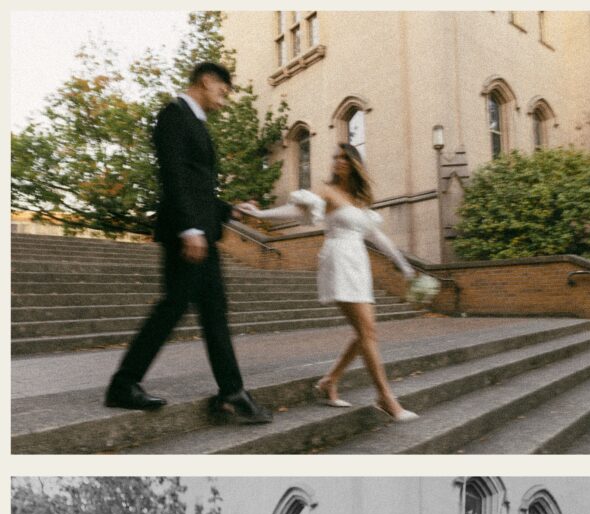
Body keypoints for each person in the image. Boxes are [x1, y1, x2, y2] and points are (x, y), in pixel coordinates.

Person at [104, 62, 271, 426]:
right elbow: (174, 177)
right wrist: (189, 229)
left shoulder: (194, 122)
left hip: (201, 232)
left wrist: (230, 210)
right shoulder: (174, 116)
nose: (224, 100)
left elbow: (197, 187)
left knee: (213, 312)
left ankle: (231, 393)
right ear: (207, 81)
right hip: (189, 236)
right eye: (223, 91)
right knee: (173, 308)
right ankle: (123, 383)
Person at [238, 144, 419, 422]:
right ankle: (385, 397)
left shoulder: (359, 200)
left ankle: (330, 380)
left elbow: (377, 237)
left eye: (344, 157)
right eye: (335, 156)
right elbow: (296, 211)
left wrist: (404, 264)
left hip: (358, 262)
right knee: (367, 332)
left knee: (365, 332)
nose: (337, 161)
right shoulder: (326, 191)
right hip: (338, 260)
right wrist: (261, 215)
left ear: (355, 163)